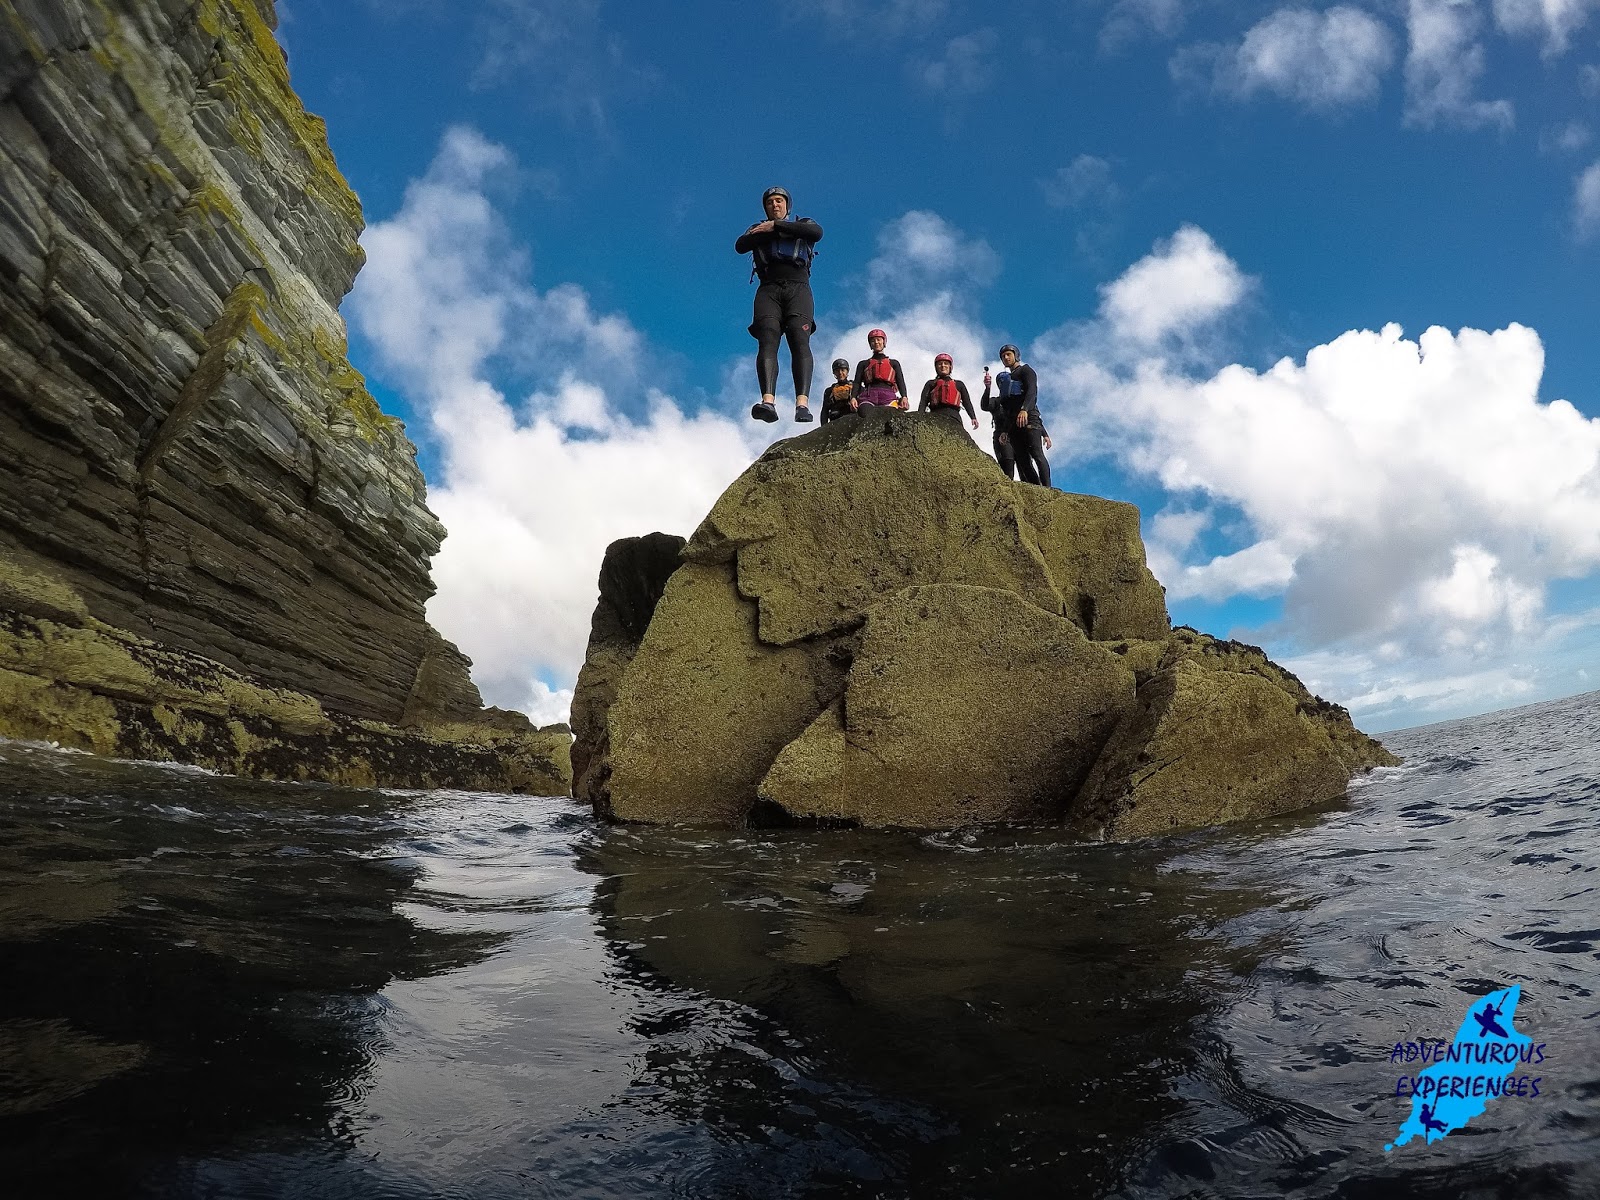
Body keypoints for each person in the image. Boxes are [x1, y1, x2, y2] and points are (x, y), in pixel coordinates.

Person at [736, 186, 823, 423]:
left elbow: (816, 232)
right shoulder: (756, 229)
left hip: (798, 288)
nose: (775, 205)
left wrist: (775, 227)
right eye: (770, 202)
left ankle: (802, 405)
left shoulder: (803, 224)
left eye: (779, 201)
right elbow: (741, 245)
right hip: (768, 289)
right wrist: (768, 230)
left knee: (799, 338)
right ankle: (768, 401)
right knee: (768, 337)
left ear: (787, 205)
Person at [987, 343, 1052, 486]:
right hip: (1013, 424)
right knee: (1023, 461)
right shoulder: (1006, 381)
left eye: (1008, 354)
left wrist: (1024, 409)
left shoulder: (1026, 371)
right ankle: (1036, 489)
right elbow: (1007, 408)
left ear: (1016, 355)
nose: (1006, 357)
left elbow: (1032, 393)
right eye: (1003, 356)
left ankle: (1048, 488)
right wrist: (1005, 431)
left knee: (1037, 454)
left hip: (1030, 418)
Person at [916, 353, 978, 429]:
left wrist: (973, 417)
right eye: (939, 364)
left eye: (946, 363)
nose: (943, 366)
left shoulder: (959, 384)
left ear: (950, 367)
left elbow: (967, 402)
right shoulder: (930, 384)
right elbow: (923, 402)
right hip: (934, 415)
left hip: (954, 416)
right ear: (936, 367)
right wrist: (919, 417)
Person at [853, 329, 909, 409]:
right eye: (873, 340)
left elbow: (900, 382)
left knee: (890, 413)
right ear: (870, 344)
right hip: (869, 395)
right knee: (864, 411)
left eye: (879, 339)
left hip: (888, 395)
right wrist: (853, 398)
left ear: (884, 342)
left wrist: (904, 396)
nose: (876, 342)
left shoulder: (894, 363)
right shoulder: (863, 364)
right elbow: (857, 383)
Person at [819, 358, 857, 424]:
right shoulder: (829, 391)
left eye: (843, 370)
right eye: (837, 371)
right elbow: (825, 410)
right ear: (834, 373)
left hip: (852, 416)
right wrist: (823, 426)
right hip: (835, 418)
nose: (840, 373)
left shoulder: (855, 387)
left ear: (847, 371)